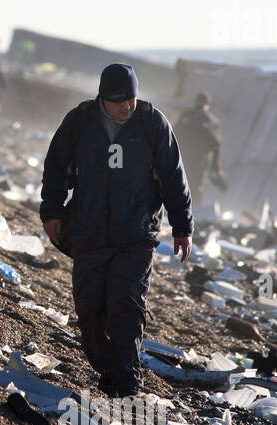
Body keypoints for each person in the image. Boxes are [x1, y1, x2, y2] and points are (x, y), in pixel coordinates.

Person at [39, 63, 193, 399]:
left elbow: (173, 177)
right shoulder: (80, 122)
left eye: (131, 100)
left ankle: (126, 381)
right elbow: (55, 167)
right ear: (103, 99)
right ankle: (111, 370)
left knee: (126, 304)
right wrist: (51, 210)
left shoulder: (152, 124)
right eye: (118, 101)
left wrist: (182, 226)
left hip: (136, 237)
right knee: (90, 313)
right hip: (89, 234)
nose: (126, 107)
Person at [173, 93, 225, 205]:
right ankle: (192, 215)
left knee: (180, 184)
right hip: (201, 161)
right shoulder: (212, 120)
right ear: (208, 103)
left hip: (183, 158)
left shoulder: (186, 116)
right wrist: (216, 168)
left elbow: (173, 135)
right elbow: (216, 145)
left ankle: (174, 212)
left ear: (196, 101)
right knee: (196, 188)